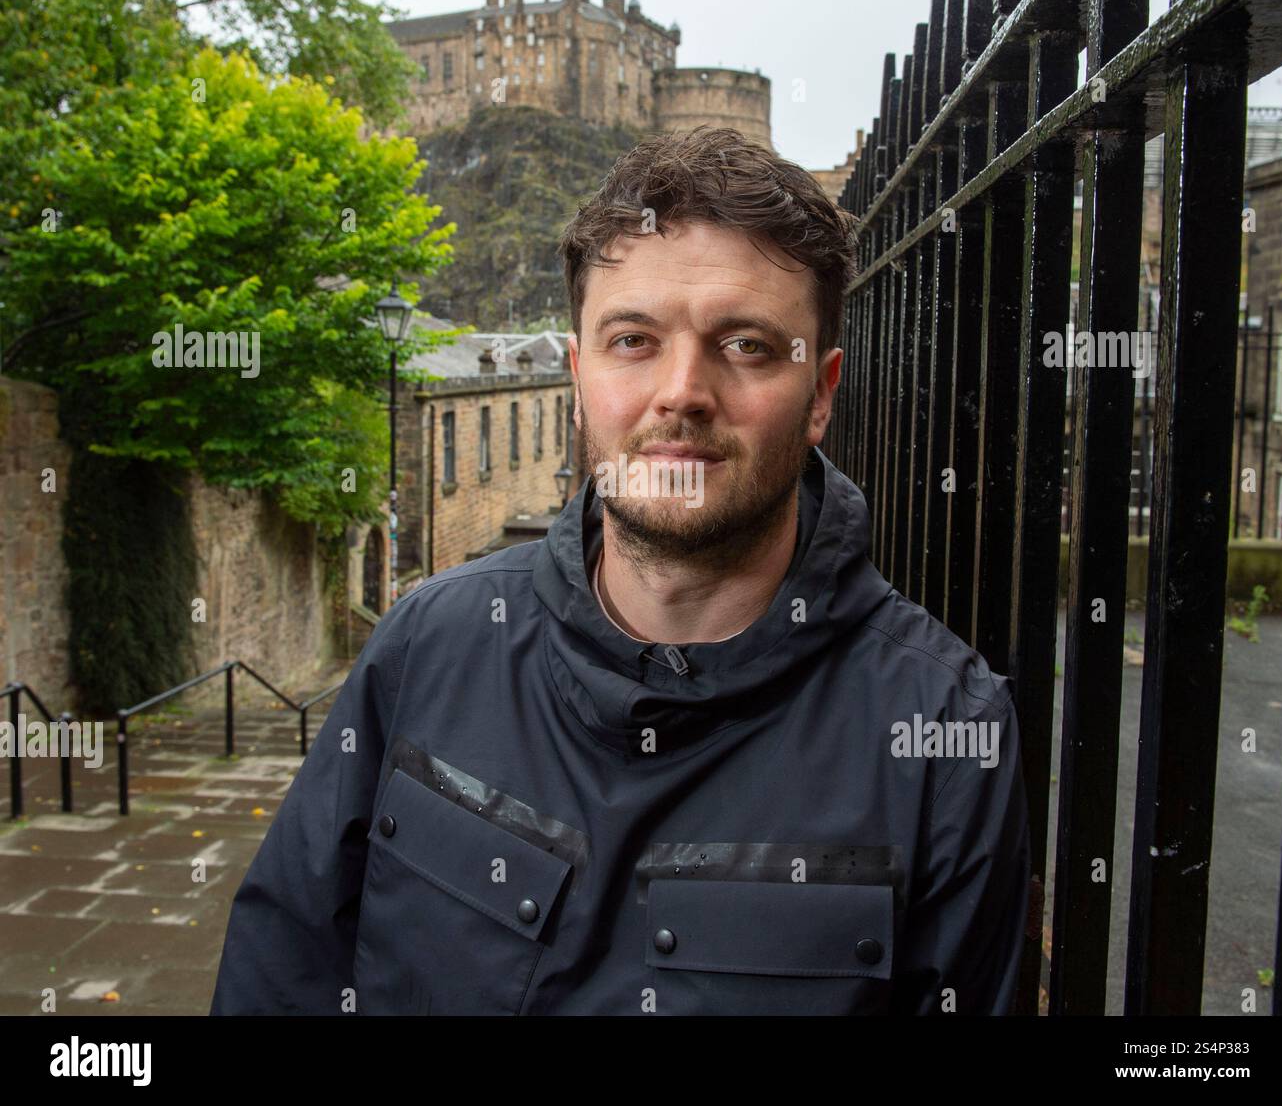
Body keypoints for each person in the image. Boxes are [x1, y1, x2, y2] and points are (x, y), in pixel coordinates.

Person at [210, 125, 1031, 1016]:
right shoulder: (429, 642)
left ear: (822, 393)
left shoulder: (945, 732)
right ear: (577, 376)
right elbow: (280, 970)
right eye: (634, 340)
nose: (682, 390)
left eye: (748, 345)